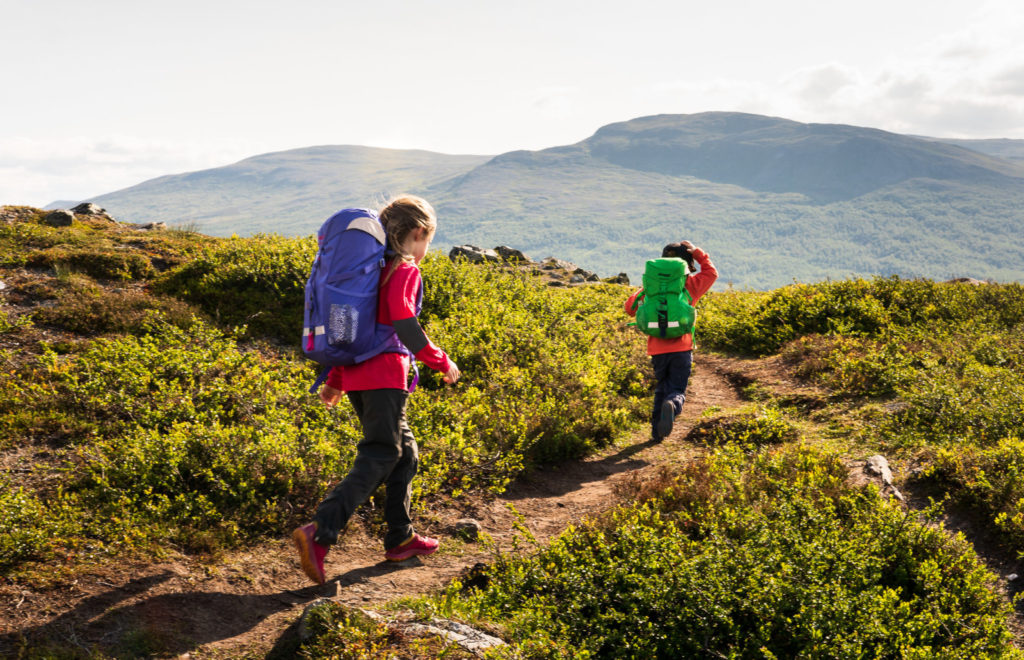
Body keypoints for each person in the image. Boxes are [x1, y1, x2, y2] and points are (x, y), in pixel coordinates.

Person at [293, 194, 461, 585]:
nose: (425, 250)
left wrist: (336, 380)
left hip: (358, 376)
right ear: (418, 232)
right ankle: (321, 530)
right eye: (428, 241)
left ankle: (400, 537)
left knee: (405, 454)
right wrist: (439, 360)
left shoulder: (371, 272)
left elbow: (356, 329)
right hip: (385, 375)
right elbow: (402, 320)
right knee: (382, 452)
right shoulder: (403, 269)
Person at [624, 241, 717, 442]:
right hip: (682, 349)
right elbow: (711, 273)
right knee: (676, 389)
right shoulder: (691, 285)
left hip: (657, 350)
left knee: (662, 387)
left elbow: (629, 308)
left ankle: (656, 433)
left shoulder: (650, 288)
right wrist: (699, 253)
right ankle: (673, 404)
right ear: (687, 265)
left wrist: (647, 290)